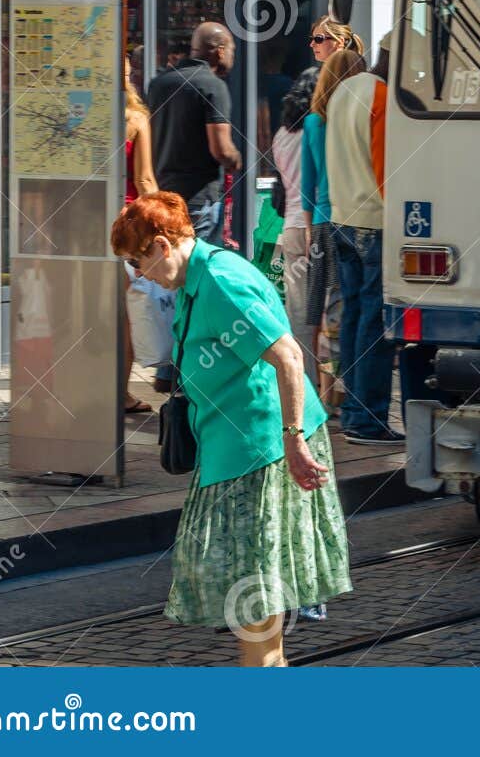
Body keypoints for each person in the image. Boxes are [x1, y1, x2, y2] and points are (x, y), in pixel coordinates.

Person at [111, 193, 351, 667]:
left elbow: (288, 356)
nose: (139, 273)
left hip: (260, 449)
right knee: (248, 588)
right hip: (231, 448)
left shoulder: (219, 281)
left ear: (161, 245)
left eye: (138, 261)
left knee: (251, 588)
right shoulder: (199, 276)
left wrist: (294, 439)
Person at [326, 36, 397, 444]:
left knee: (354, 317)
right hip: (375, 221)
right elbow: (386, 168)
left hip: (342, 217)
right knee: (374, 322)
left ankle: (353, 413)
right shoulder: (383, 96)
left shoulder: (344, 92)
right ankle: (368, 419)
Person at [304, 50, 366, 417]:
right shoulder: (359, 115)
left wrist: (313, 226)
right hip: (357, 215)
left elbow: (308, 184)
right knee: (350, 308)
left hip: (324, 221)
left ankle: (326, 392)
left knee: (324, 312)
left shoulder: (314, 122)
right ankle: (343, 391)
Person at [147, 22, 241, 245]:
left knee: (172, 260)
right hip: (198, 198)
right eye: (231, 50)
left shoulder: (159, 84)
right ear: (219, 51)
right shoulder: (213, 86)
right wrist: (236, 159)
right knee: (196, 263)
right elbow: (221, 150)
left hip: (164, 194)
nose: (232, 57)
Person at [273, 74, 326, 407]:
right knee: (325, 315)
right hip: (314, 226)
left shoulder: (281, 135)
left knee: (299, 318)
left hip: (290, 228)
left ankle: (301, 389)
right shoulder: (317, 130)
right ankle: (325, 390)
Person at [121, 56, 166, 414]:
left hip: (82, 222)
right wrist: (159, 223)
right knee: (124, 313)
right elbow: (144, 181)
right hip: (124, 227)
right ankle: (119, 392)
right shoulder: (134, 119)